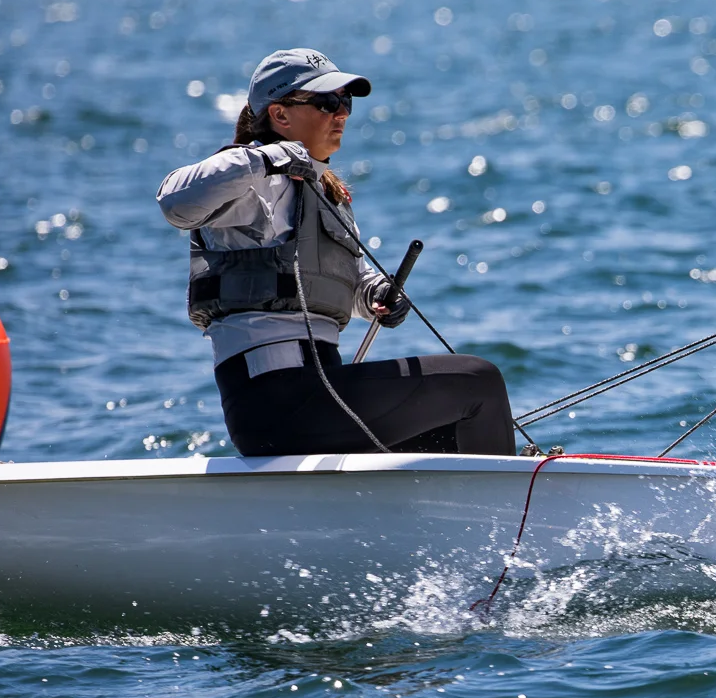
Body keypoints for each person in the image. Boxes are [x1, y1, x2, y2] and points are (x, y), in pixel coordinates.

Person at [157, 48, 516, 456]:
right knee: (478, 381)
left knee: (449, 435)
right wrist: (269, 156)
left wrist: (375, 294)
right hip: (273, 400)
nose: (341, 114)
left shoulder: (327, 192)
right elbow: (173, 200)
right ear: (281, 115)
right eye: (327, 103)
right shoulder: (247, 179)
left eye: (345, 103)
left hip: (321, 391)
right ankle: (508, 512)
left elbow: (345, 278)